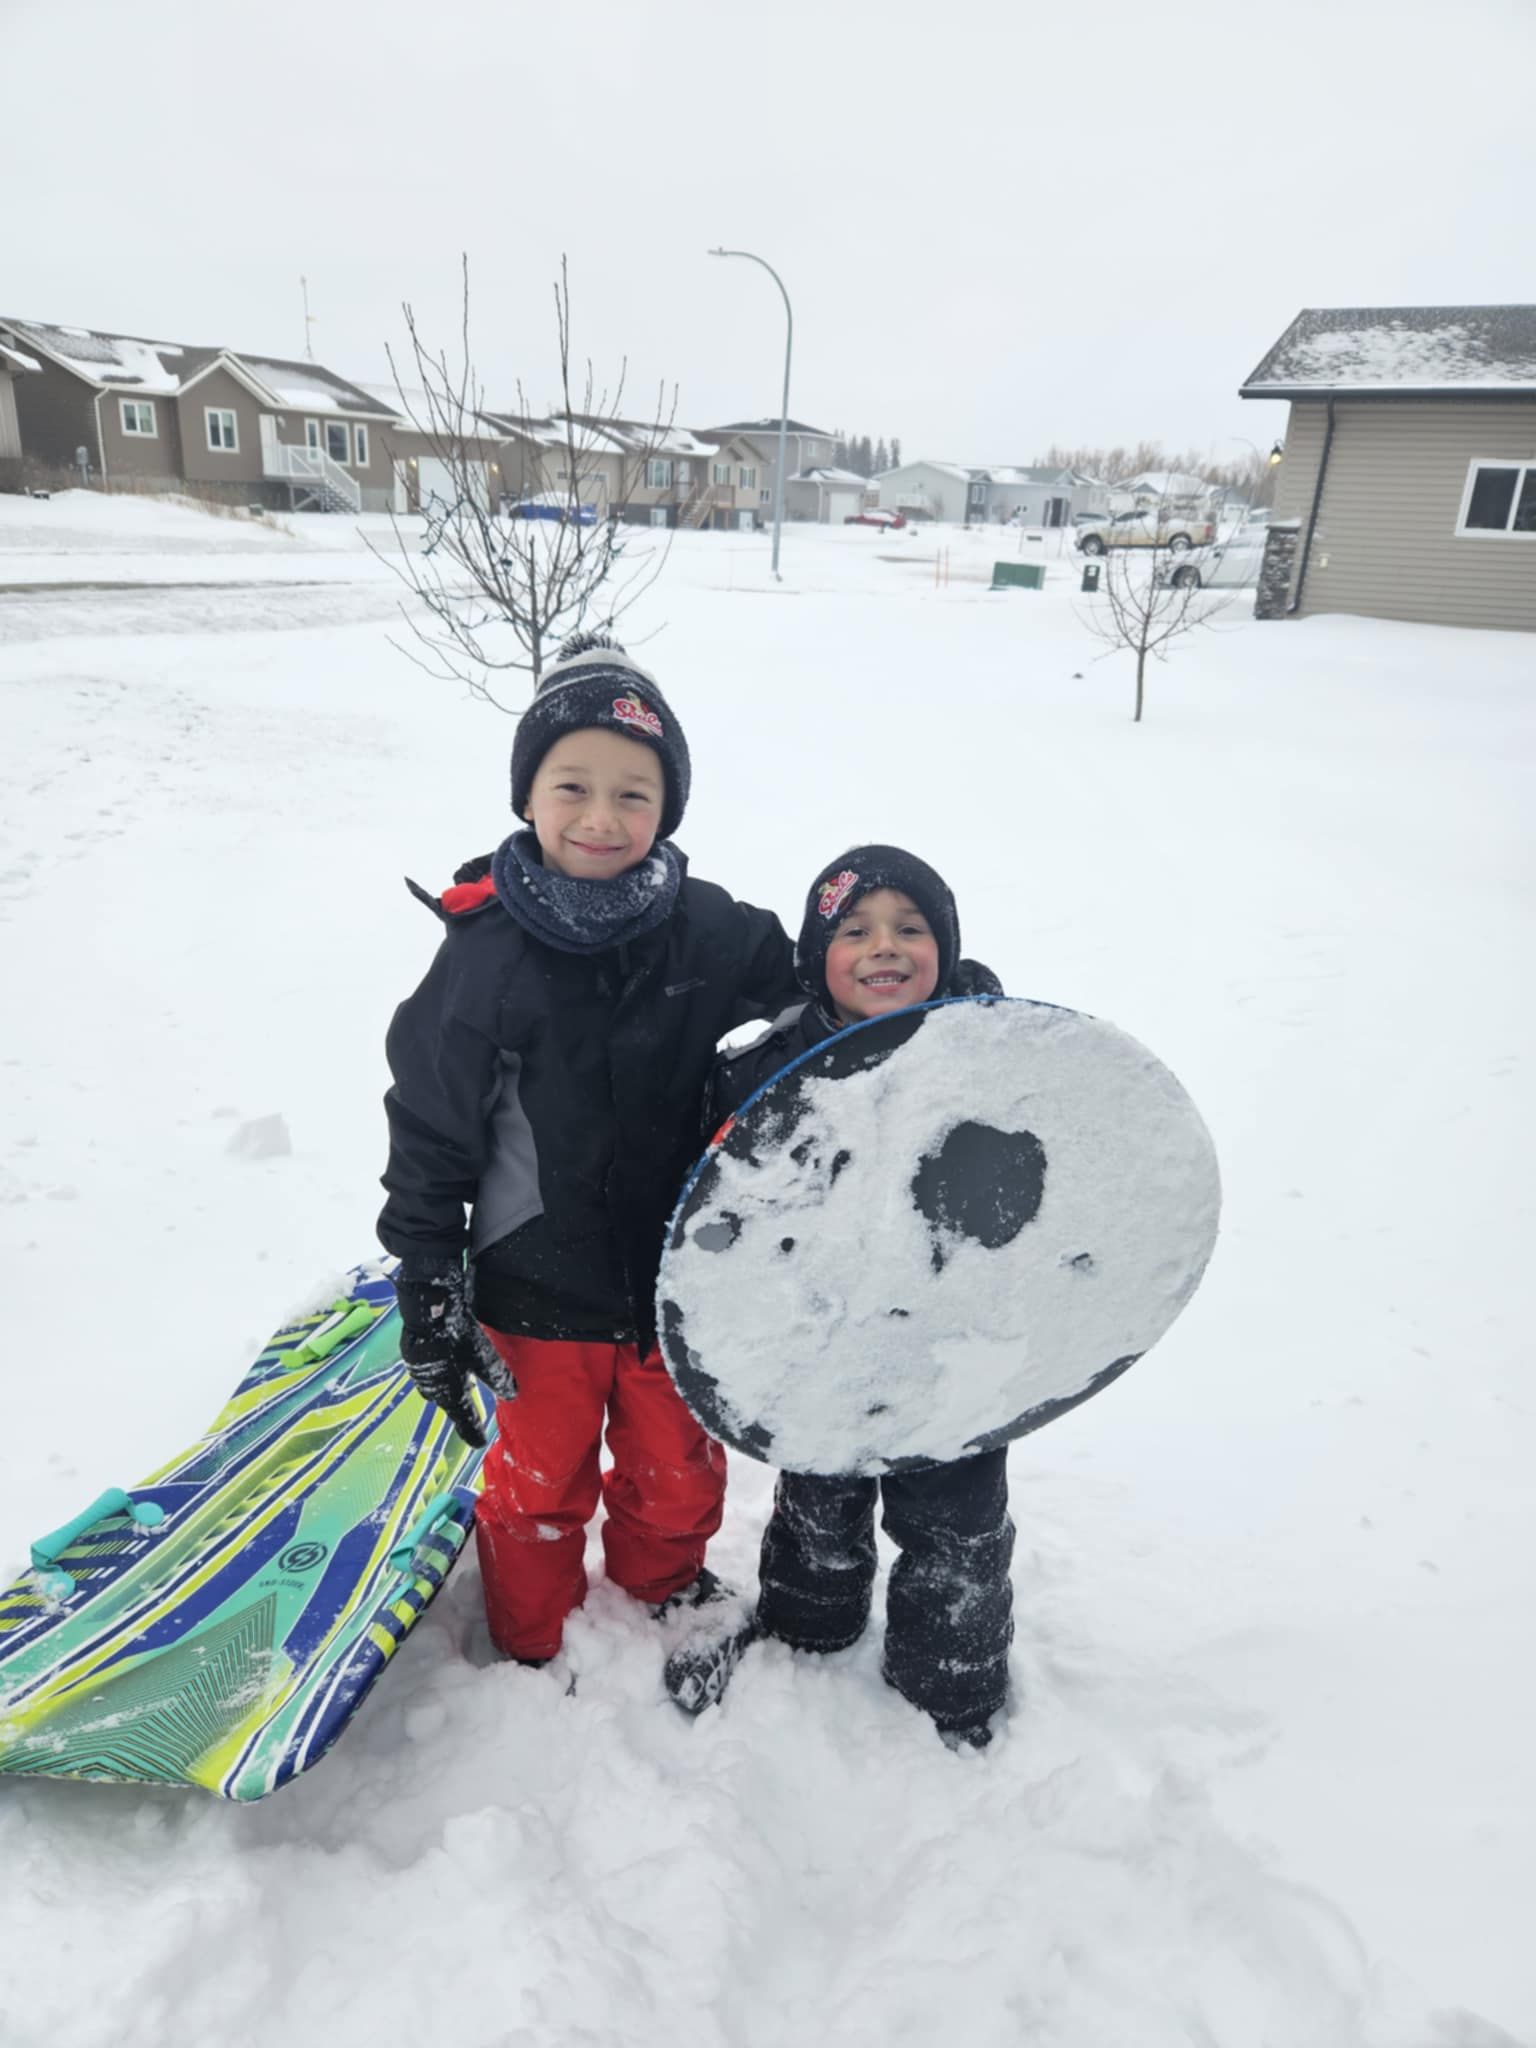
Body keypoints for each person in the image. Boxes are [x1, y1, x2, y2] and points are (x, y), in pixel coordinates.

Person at [378, 632, 799, 1665]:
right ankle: (529, 1633)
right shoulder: (484, 957)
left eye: (634, 794)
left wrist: (923, 1005)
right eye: (573, 785)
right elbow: (430, 1125)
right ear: (529, 794)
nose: (602, 818)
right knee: (537, 1481)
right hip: (533, 1289)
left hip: (678, 1286)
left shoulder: (713, 931)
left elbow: (810, 1010)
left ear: (668, 809)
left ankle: (660, 1587)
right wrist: (430, 1271)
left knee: (678, 1471)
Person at [667, 846, 1015, 1749]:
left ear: (947, 944)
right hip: (819, 1335)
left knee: (960, 1519)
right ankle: (808, 1622)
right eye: (853, 931)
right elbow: (722, 1210)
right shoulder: (766, 1068)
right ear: (816, 953)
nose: (883, 948)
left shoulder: (991, 1047)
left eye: (910, 929)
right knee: (819, 1490)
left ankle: (955, 1675)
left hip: (949, 1341)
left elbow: (1032, 1186)